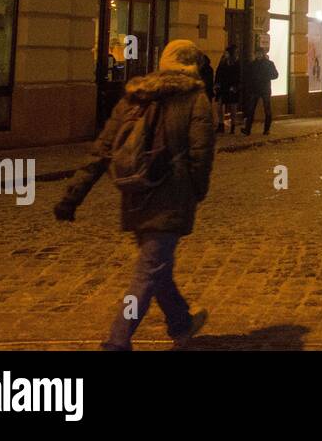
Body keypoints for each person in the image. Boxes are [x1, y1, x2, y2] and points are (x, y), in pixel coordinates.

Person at [54, 39, 214, 350]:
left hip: (134, 193)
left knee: (156, 265)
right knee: (148, 272)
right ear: (194, 65)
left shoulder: (136, 96)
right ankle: (117, 341)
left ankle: (181, 321)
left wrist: (73, 194)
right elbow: (201, 154)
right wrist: (195, 192)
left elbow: (101, 150)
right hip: (170, 198)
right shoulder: (195, 98)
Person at [244, 48, 278, 135]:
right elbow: (248, 76)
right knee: (251, 109)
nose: (258, 55)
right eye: (257, 53)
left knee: (267, 109)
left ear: (262, 54)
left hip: (265, 89)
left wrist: (266, 77)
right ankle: (247, 129)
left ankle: (266, 129)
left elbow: (275, 75)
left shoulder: (269, 64)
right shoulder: (252, 64)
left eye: (259, 53)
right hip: (255, 89)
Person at [214, 45, 243, 134]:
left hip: (232, 87)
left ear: (231, 53)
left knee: (232, 107)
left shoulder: (237, 63)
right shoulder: (222, 61)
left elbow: (239, 76)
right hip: (223, 86)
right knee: (219, 105)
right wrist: (217, 83)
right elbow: (218, 72)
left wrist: (236, 86)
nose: (225, 54)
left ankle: (233, 126)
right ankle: (221, 124)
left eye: (226, 52)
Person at [197, 51, 216, 130]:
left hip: (206, 91)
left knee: (205, 109)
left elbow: (208, 81)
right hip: (205, 91)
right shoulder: (201, 69)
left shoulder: (206, 70)